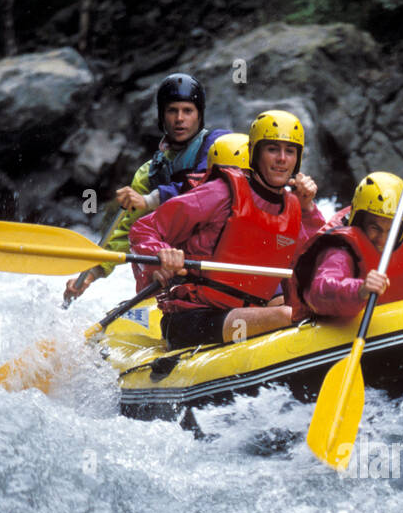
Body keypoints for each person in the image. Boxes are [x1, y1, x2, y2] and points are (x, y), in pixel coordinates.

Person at [128, 111, 325, 349]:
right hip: (193, 318)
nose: (282, 159)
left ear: (298, 159)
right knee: (286, 316)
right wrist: (161, 253)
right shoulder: (221, 192)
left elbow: (317, 262)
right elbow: (144, 227)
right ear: (255, 153)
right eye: (272, 149)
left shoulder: (293, 208)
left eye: (290, 151)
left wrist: (309, 209)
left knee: (314, 309)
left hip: (250, 313)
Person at [64, 72, 230, 302]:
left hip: (218, 258)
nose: (179, 119)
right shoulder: (149, 172)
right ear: (162, 116)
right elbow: (123, 234)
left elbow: (202, 185)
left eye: (187, 111)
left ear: (199, 115)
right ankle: (164, 304)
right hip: (170, 266)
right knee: (141, 241)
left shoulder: (220, 146)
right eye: (172, 111)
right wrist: (90, 275)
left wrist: (152, 199)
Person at [294, 120, 403, 320]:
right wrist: (360, 290)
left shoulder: (402, 214)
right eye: (374, 227)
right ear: (358, 220)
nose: (383, 238)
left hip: (399, 303)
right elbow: (320, 290)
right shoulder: (340, 248)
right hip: (353, 315)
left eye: (390, 230)